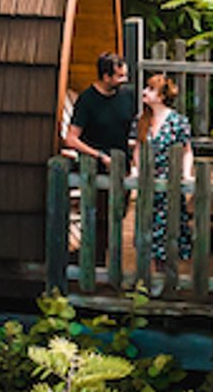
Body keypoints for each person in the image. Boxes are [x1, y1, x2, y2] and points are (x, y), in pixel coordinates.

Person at [140, 73, 195, 266]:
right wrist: (136, 170)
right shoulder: (142, 120)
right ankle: (147, 282)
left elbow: (187, 151)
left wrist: (186, 174)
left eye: (150, 89)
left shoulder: (179, 122)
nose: (144, 92)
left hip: (169, 183)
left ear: (162, 96)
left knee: (169, 233)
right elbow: (137, 149)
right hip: (147, 185)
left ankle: (167, 278)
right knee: (146, 233)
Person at [61, 52, 135, 170]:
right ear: (106, 77)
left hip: (122, 167)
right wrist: (100, 156)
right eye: (120, 76)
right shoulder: (87, 100)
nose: (125, 80)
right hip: (93, 169)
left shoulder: (128, 95)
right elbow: (71, 139)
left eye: (125, 75)